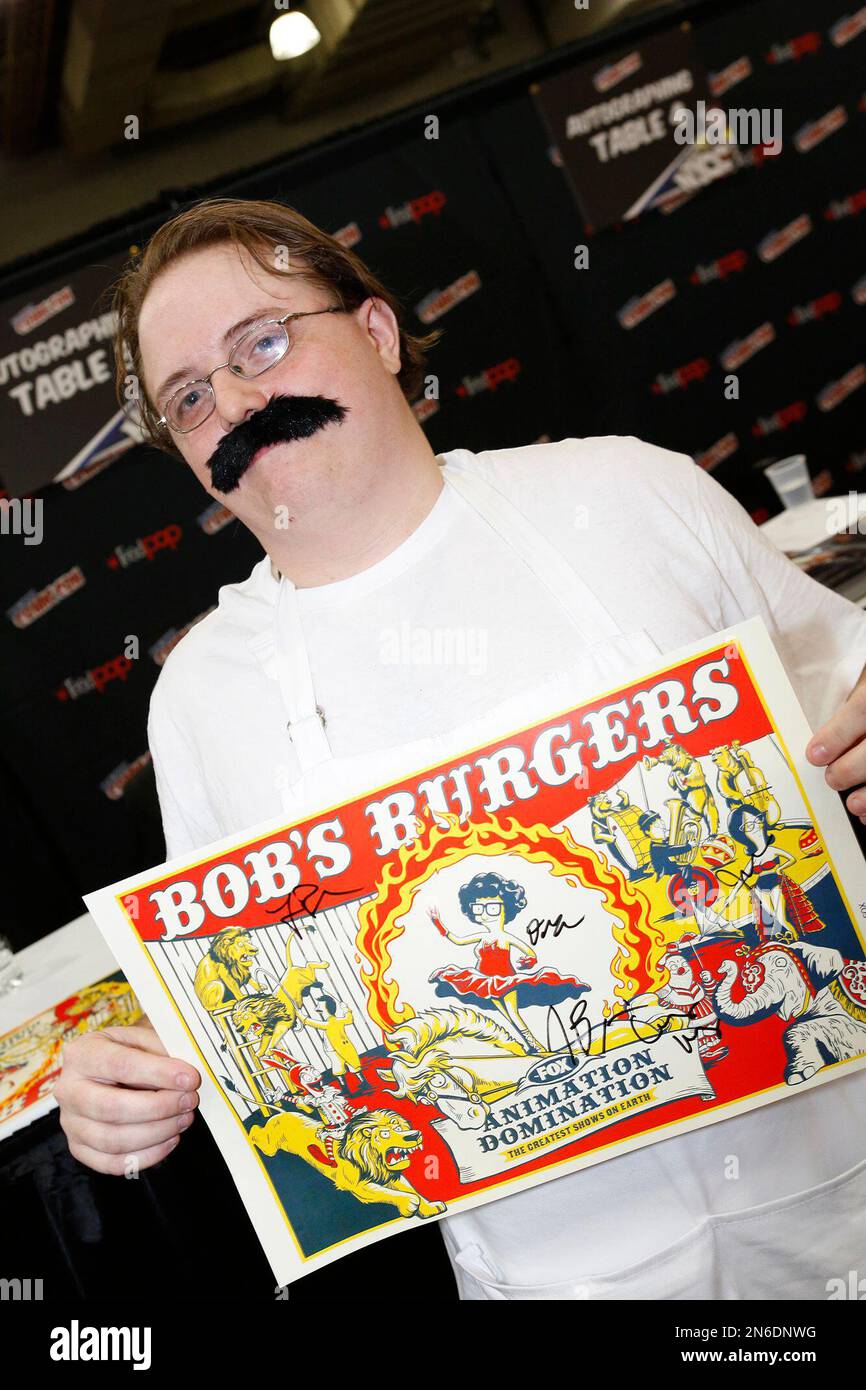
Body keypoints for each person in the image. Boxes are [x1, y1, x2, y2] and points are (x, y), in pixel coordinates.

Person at [56, 196, 866, 1300]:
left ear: (379, 333)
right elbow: (225, 1008)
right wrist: (128, 1083)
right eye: (189, 398)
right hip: (558, 1282)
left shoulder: (625, 494)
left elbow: (839, 690)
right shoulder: (203, 698)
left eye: (263, 340)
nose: (237, 401)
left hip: (839, 1206)